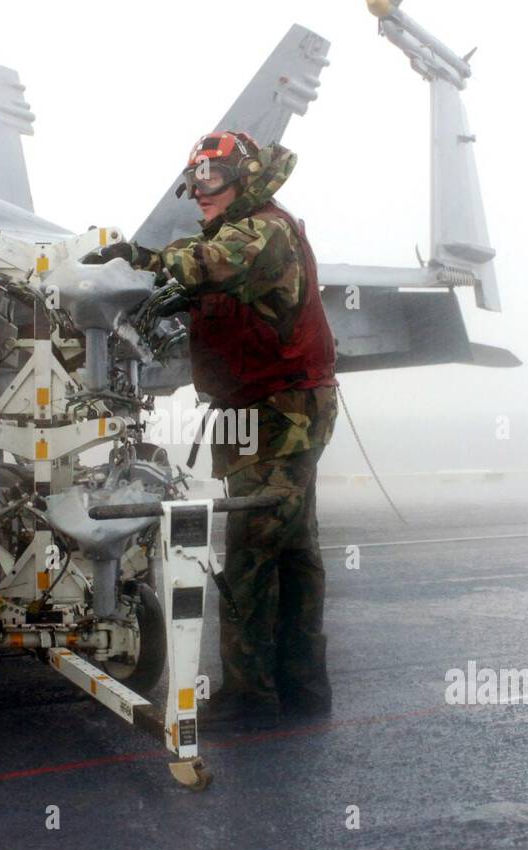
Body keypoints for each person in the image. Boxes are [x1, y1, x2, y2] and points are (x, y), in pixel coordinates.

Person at [88, 131, 339, 726]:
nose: (199, 193)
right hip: (263, 410)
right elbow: (214, 282)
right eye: (194, 181)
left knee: (254, 549)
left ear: (243, 180)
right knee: (292, 547)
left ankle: (252, 697)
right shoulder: (243, 235)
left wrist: (136, 257)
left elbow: (207, 262)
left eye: (211, 180)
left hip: (281, 413)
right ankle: (302, 690)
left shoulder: (264, 230)